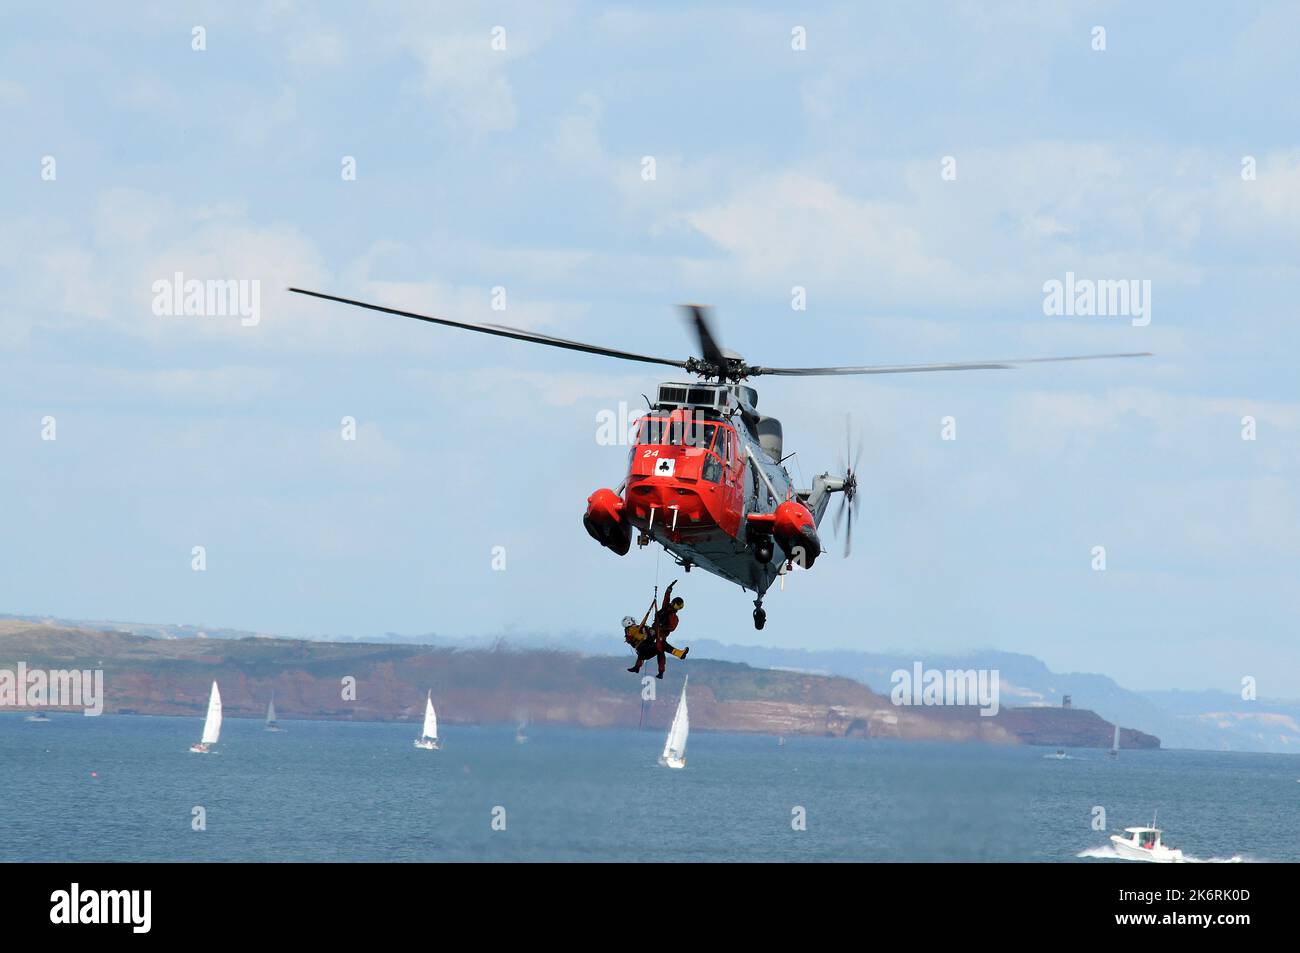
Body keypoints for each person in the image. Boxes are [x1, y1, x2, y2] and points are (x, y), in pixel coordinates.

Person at [623, 584, 689, 678]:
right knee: (656, 648)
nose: (671, 603)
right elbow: (666, 599)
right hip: (654, 633)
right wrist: (668, 589)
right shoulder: (666, 608)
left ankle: (664, 667)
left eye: (674, 603)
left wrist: (662, 627)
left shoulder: (673, 617)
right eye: (673, 602)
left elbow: (672, 628)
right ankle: (647, 668)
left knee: (660, 647)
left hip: (659, 634)